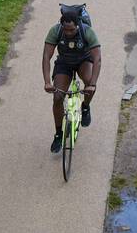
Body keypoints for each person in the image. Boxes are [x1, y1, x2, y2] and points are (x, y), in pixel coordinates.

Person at [42, 9, 101, 152]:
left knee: (88, 81)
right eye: (65, 30)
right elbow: (46, 57)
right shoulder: (55, 31)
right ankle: (58, 134)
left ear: (78, 26)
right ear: (61, 26)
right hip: (64, 63)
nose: (68, 33)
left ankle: (85, 106)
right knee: (57, 97)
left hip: (83, 61)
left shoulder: (87, 32)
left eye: (72, 30)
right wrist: (47, 82)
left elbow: (97, 59)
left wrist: (92, 84)